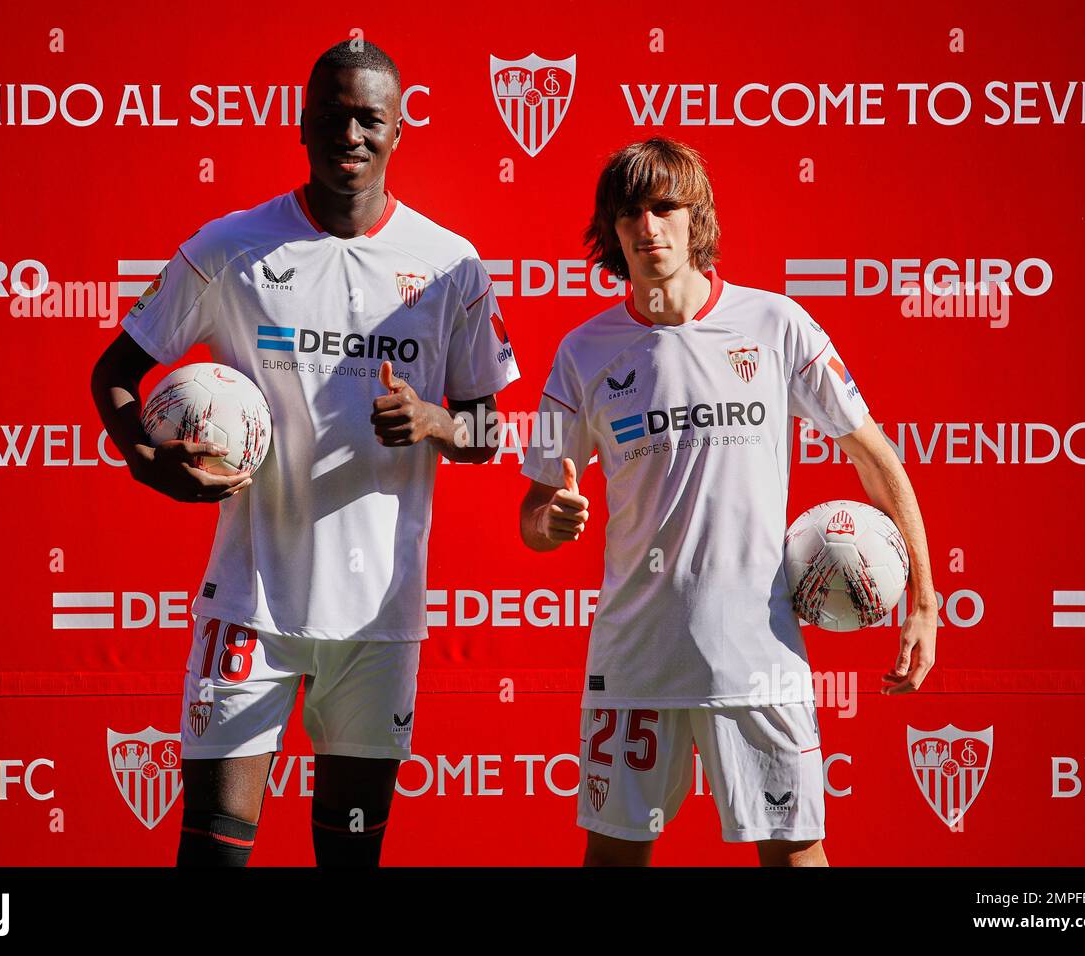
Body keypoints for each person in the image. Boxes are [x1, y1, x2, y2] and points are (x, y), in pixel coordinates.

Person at [91, 40, 518, 867]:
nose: (350, 135)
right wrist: (148, 460)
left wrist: (432, 421)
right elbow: (118, 370)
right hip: (252, 603)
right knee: (213, 853)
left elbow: (488, 431)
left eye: (370, 119)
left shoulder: (450, 265)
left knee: (349, 860)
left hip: (377, 619)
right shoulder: (231, 246)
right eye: (333, 116)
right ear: (301, 122)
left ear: (399, 131)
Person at [518, 137, 935, 866]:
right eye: (629, 213)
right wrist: (549, 522)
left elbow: (875, 456)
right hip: (634, 662)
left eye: (664, 207)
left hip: (758, 658)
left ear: (695, 218)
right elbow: (534, 515)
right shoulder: (583, 353)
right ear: (611, 232)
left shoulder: (775, 326)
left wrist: (925, 602)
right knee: (612, 862)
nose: (648, 226)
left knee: (799, 860)